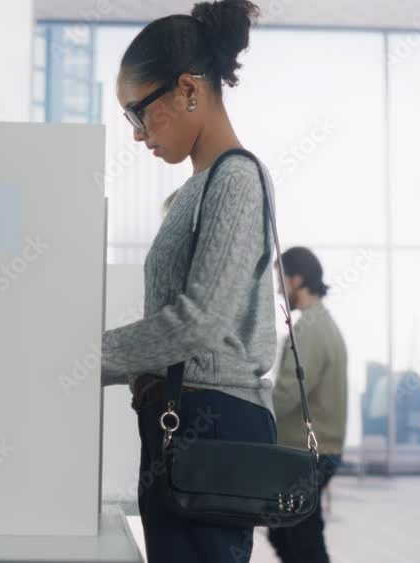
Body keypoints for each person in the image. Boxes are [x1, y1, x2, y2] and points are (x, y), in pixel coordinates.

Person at [99, 2, 278, 561]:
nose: (136, 134)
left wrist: (84, 357)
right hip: (186, 424)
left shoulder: (237, 178)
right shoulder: (193, 191)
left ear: (187, 91)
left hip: (211, 426)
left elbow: (200, 321)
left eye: (138, 113)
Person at [268, 247, 347, 563]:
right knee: (287, 530)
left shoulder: (309, 329)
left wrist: (254, 410)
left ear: (297, 279)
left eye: (279, 278)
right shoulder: (319, 323)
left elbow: (289, 391)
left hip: (308, 453)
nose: (277, 287)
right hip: (316, 450)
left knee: (303, 539)